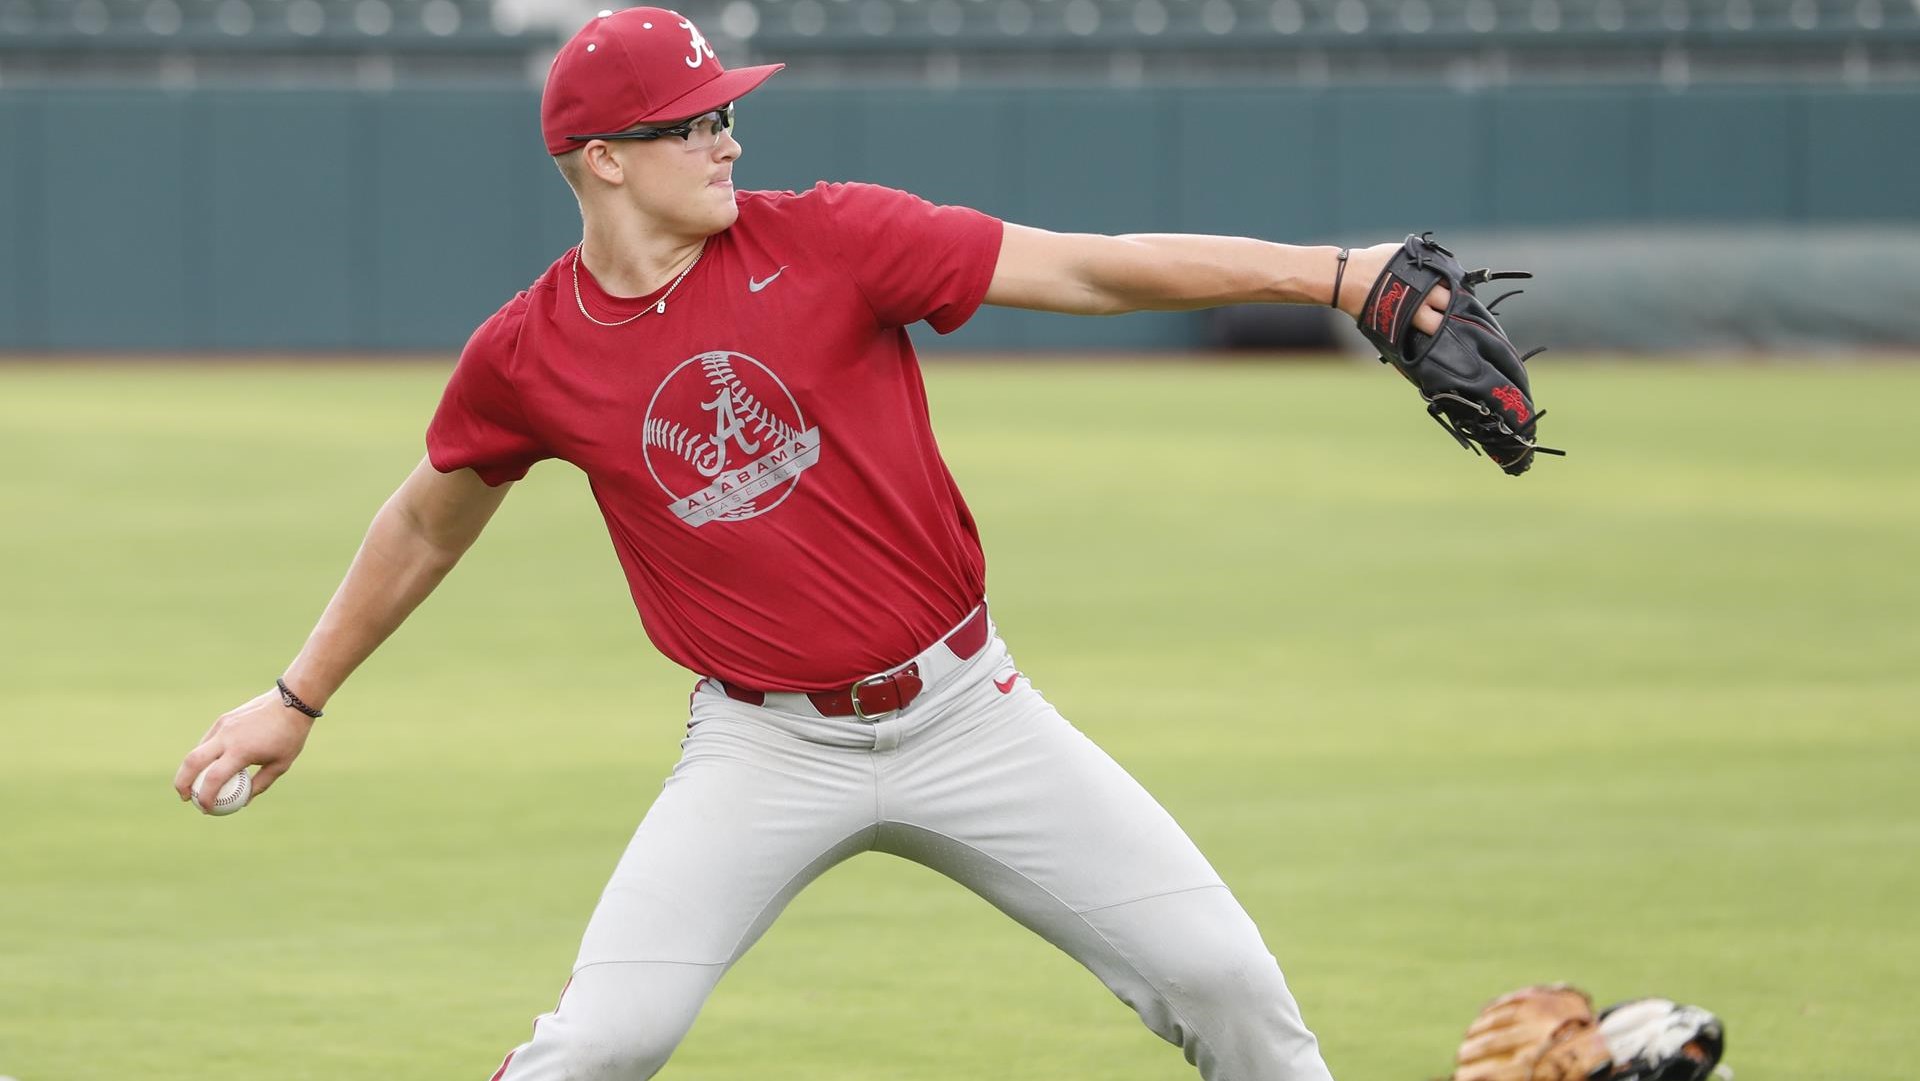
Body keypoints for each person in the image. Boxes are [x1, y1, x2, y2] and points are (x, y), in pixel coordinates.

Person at [173, 8, 1451, 1079]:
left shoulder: (834, 236)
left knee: (1224, 981)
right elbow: (426, 514)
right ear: (605, 158)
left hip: (971, 713)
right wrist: (298, 697)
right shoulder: (530, 354)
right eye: (697, 120)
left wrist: (1337, 276)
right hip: (762, 742)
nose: (730, 136)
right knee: (604, 1043)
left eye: (730, 112)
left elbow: (1091, 270)